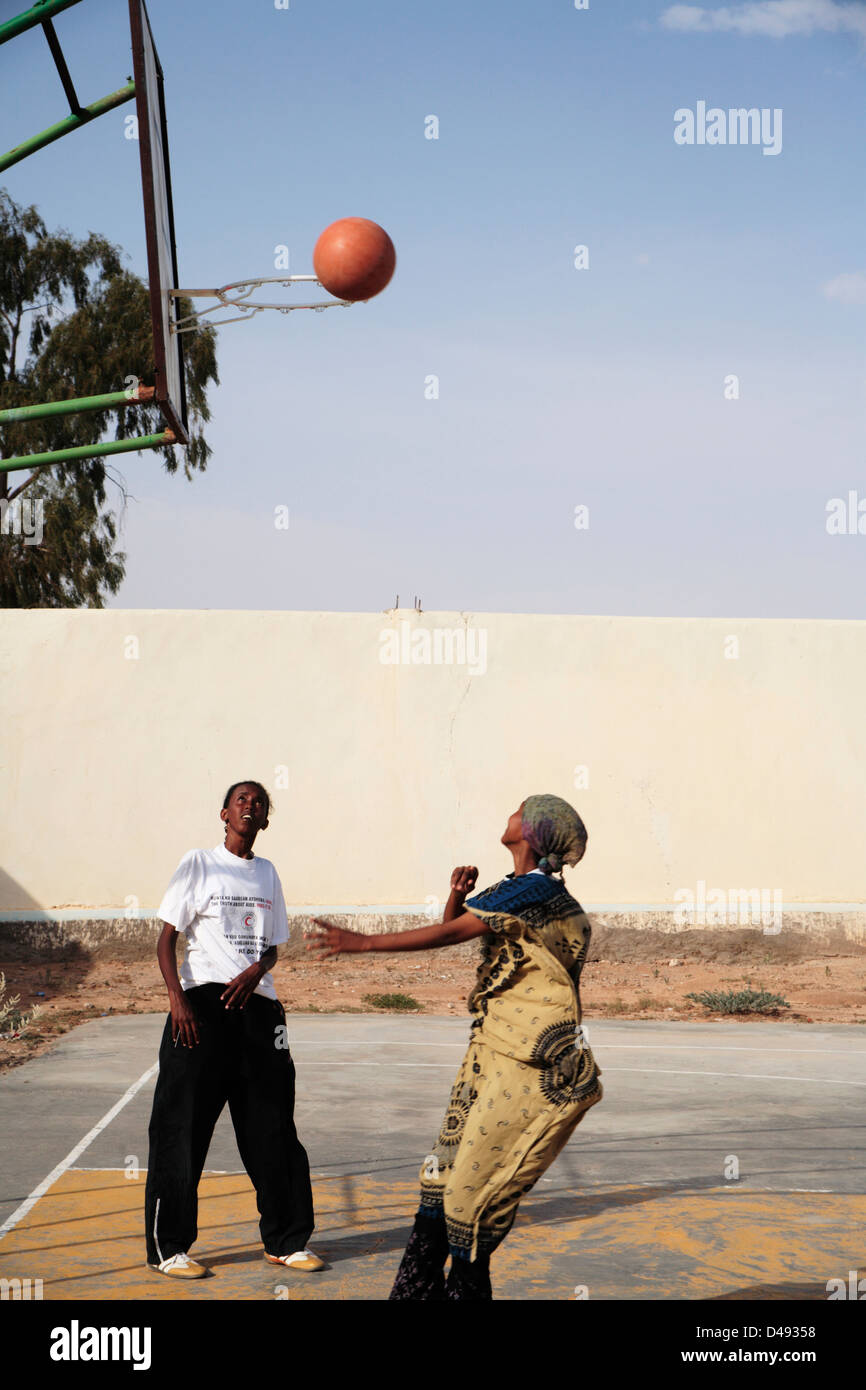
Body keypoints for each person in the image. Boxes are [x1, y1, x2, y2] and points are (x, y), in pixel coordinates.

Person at [308, 793, 602, 1300]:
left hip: (525, 1066)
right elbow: (459, 928)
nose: (508, 813)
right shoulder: (517, 889)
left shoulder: (532, 893)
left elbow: (448, 935)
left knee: (469, 1198)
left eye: (519, 809)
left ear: (531, 833)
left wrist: (363, 943)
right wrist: (454, 894)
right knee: (443, 1181)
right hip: (491, 1058)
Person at [144, 781, 321, 1279]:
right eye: (242, 799)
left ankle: (286, 1241)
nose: (251, 805)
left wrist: (255, 972)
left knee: (273, 1129)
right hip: (200, 1007)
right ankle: (170, 1248)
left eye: (259, 802)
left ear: (265, 820)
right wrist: (177, 998)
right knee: (182, 1127)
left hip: (258, 1010)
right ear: (224, 814)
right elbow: (166, 940)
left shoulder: (267, 874)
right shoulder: (197, 863)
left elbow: (273, 947)